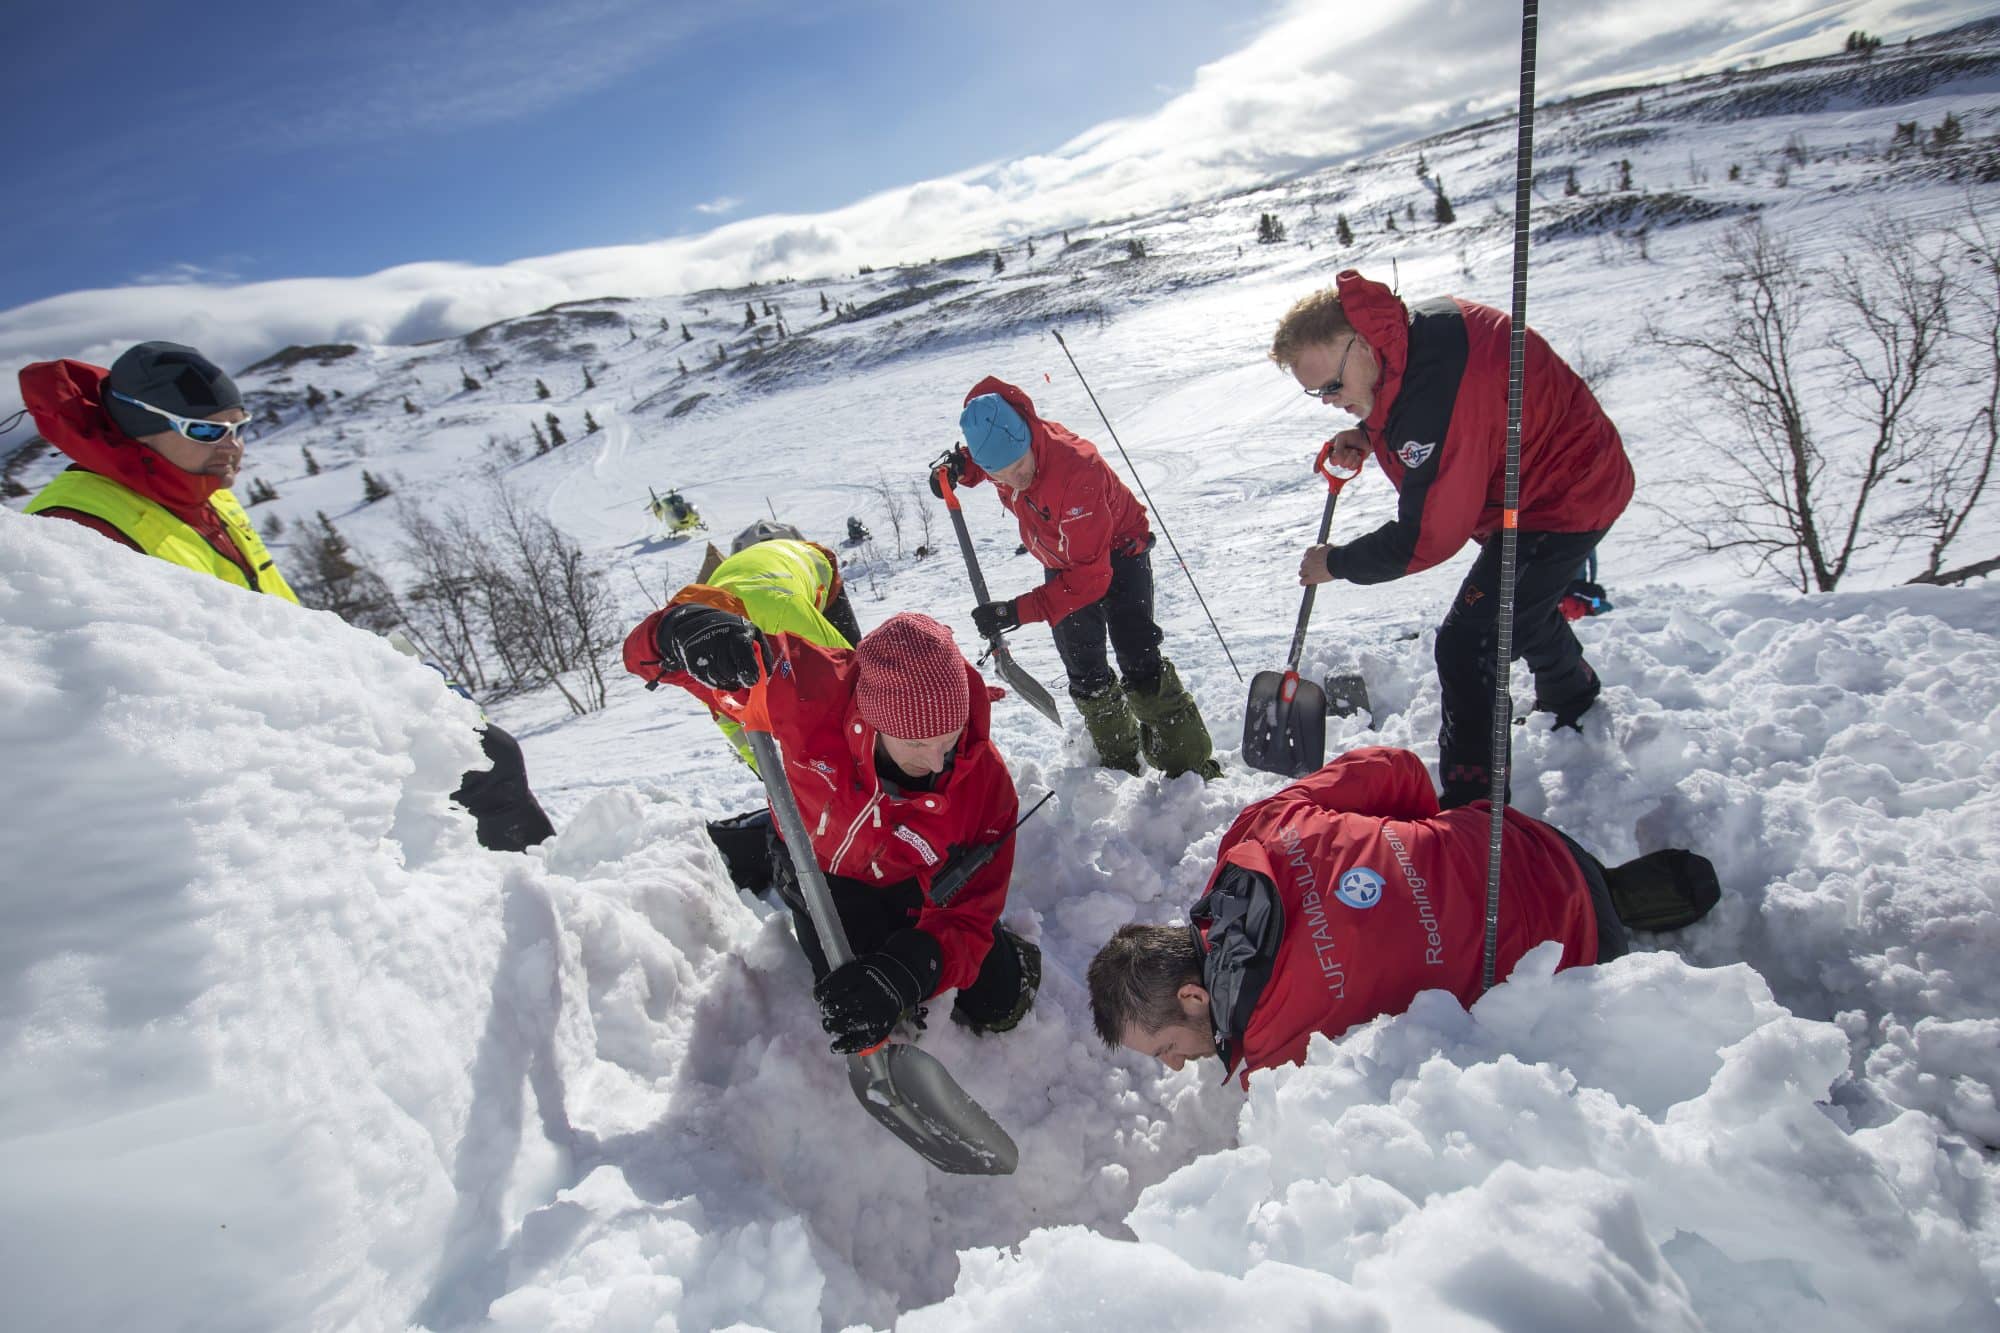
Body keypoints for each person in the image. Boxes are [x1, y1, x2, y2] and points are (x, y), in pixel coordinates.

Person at [17, 340, 553, 853]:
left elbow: (277, 612)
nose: (233, 447)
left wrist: (389, 673)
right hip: (239, 740)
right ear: (139, 425)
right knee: (478, 769)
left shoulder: (202, 495)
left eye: (239, 428)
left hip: (297, 691)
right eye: (206, 430)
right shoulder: (76, 527)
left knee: (486, 751)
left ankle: (530, 891)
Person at [1087, 745, 1718, 1084]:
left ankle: (1621, 912)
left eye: (1165, 1047)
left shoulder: (1279, 1061)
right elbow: (1398, 769)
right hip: (1520, 839)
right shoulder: (1253, 836)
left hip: (1572, 956)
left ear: (1195, 995)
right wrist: (1421, 852)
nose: (1172, 1065)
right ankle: (1615, 887)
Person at [1270, 273, 1635, 808]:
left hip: (1564, 496)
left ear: (1363, 346)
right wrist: (1367, 431)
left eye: (1332, 387)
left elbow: (1429, 537)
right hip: (1537, 483)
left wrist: (1338, 562)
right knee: (1518, 607)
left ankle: (1476, 809)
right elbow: (1414, 408)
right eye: (1316, 392)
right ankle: (1573, 694)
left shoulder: (1434, 397)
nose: (1327, 401)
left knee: (1468, 642)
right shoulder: (1406, 342)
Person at [624, 607, 1040, 1046]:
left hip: (906, 878)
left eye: (949, 737)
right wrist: (679, 630)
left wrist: (906, 971)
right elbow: (643, 655)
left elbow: (969, 916)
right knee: (851, 998)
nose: (937, 761)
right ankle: (757, 836)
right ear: (875, 720)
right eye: (917, 743)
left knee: (996, 1000)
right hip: (816, 868)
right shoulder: (804, 688)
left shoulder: (985, 785)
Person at [934, 376, 1219, 780]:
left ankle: (1189, 768)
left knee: (1137, 656)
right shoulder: (1006, 449)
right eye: (1000, 474)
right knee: (1083, 665)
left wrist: (1015, 611)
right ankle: (1119, 765)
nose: (1015, 480)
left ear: (1031, 440)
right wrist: (964, 470)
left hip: (1118, 551)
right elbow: (993, 463)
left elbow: (1090, 579)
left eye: (1019, 467)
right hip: (1064, 554)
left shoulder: (1075, 471)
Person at [664, 520, 865, 887]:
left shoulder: (786, 618)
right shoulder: (701, 662)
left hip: (812, 573)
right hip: (748, 588)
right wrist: (784, 784)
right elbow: (738, 729)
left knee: (856, 706)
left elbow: (856, 684)